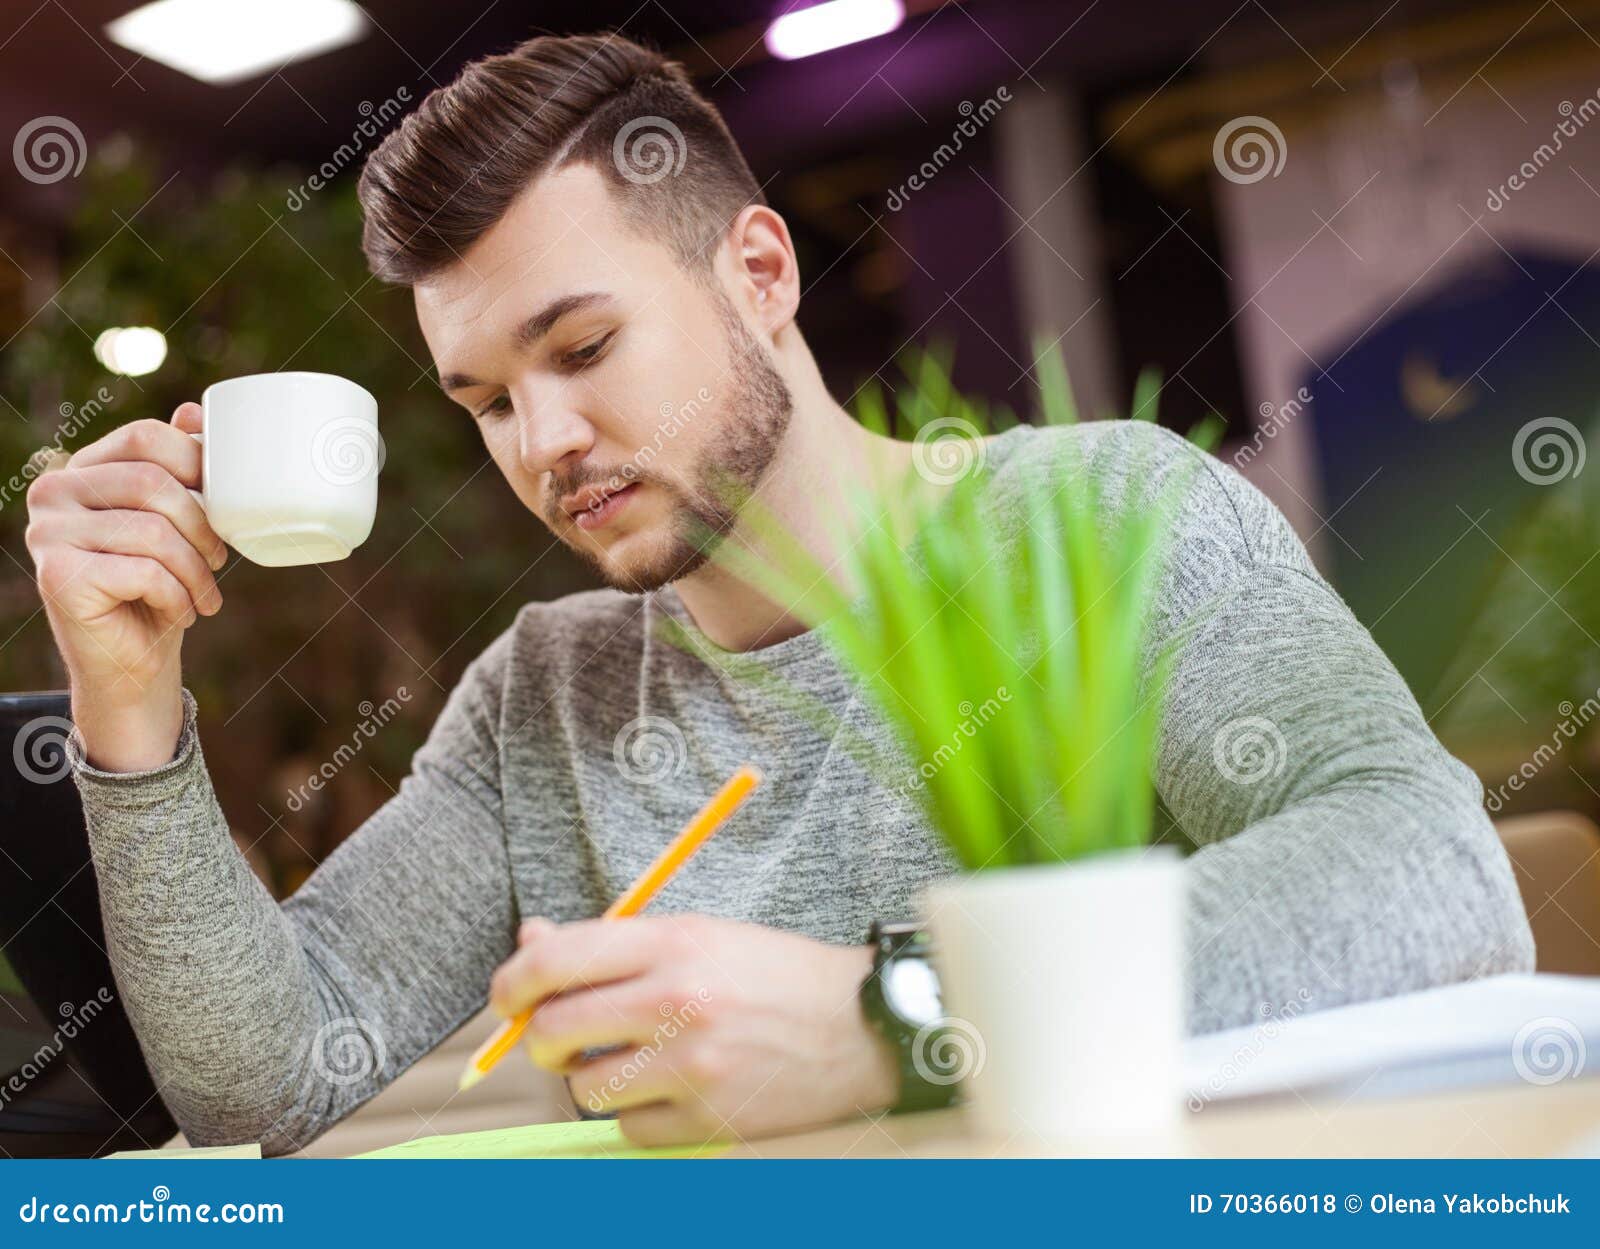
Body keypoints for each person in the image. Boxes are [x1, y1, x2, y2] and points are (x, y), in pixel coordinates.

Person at [24, 32, 1532, 1155]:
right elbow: (266, 1079)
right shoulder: (542, 697)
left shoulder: (1104, 522)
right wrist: (127, 691)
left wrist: (897, 1021)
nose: (543, 442)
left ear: (759, 272)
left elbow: (1431, 877)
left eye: (583, 349)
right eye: (486, 400)